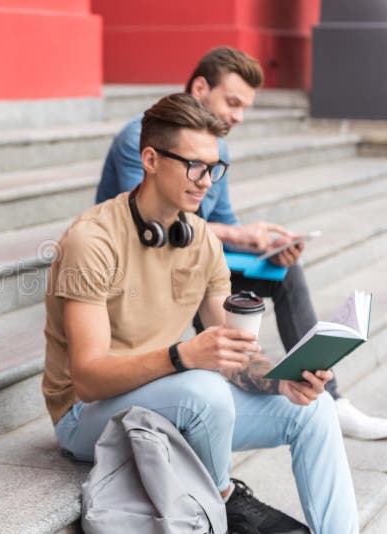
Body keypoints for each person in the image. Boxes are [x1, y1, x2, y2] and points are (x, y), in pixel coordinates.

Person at [44, 93, 358, 534]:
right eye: (194, 165)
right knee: (202, 388)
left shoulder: (202, 240)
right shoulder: (90, 241)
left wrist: (284, 378)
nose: (206, 180)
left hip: (176, 397)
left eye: (214, 167)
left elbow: (231, 350)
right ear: (150, 159)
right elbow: (88, 379)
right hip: (86, 418)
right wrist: (183, 356)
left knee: (314, 409)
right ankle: (222, 504)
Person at [95, 46, 387, 441]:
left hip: (193, 260)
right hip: (144, 264)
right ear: (201, 88)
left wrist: (263, 246)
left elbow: (224, 222)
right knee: (202, 275)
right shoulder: (146, 139)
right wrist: (234, 236)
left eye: (245, 106)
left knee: (285, 271)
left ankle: (329, 400)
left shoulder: (220, 149)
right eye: (233, 101)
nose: (238, 115)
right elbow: (153, 223)